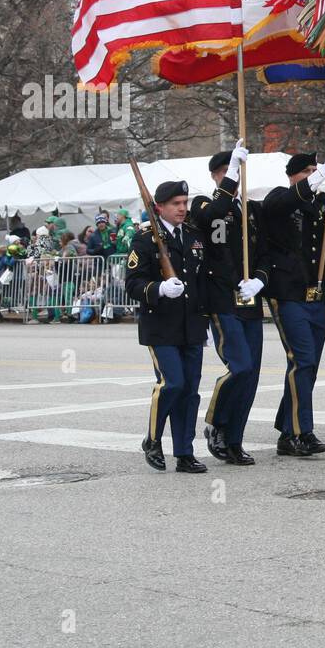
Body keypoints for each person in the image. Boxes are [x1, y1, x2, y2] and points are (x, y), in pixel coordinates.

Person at [260, 152, 325, 458]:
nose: (313, 175)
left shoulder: (321, 202)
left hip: (315, 292)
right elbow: (279, 206)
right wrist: (318, 178)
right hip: (288, 292)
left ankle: (286, 429)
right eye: (307, 171)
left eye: (315, 170)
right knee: (302, 359)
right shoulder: (280, 197)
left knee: (309, 364)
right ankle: (300, 432)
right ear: (293, 175)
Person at [125, 180, 209, 473]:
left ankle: (184, 452)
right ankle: (152, 439)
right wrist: (159, 289)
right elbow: (132, 283)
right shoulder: (145, 239)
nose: (183, 208)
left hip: (192, 324)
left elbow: (201, 282)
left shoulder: (194, 236)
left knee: (191, 391)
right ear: (159, 207)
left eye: (185, 202)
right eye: (176, 204)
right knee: (172, 384)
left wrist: (205, 320)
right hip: (161, 326)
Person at [189, 141, 265, 466]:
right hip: (221, 299)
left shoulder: (251, 210)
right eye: (224, 172)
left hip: (249, 298)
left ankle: (234, 439)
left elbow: (265, 252)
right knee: (240, 366)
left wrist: (260, 277)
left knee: (252, 375)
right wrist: (230, 175)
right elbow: (214, 216)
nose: (231, 177)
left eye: (234, 171)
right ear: (215, 176)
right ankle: (215, 423)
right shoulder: (203, 204)